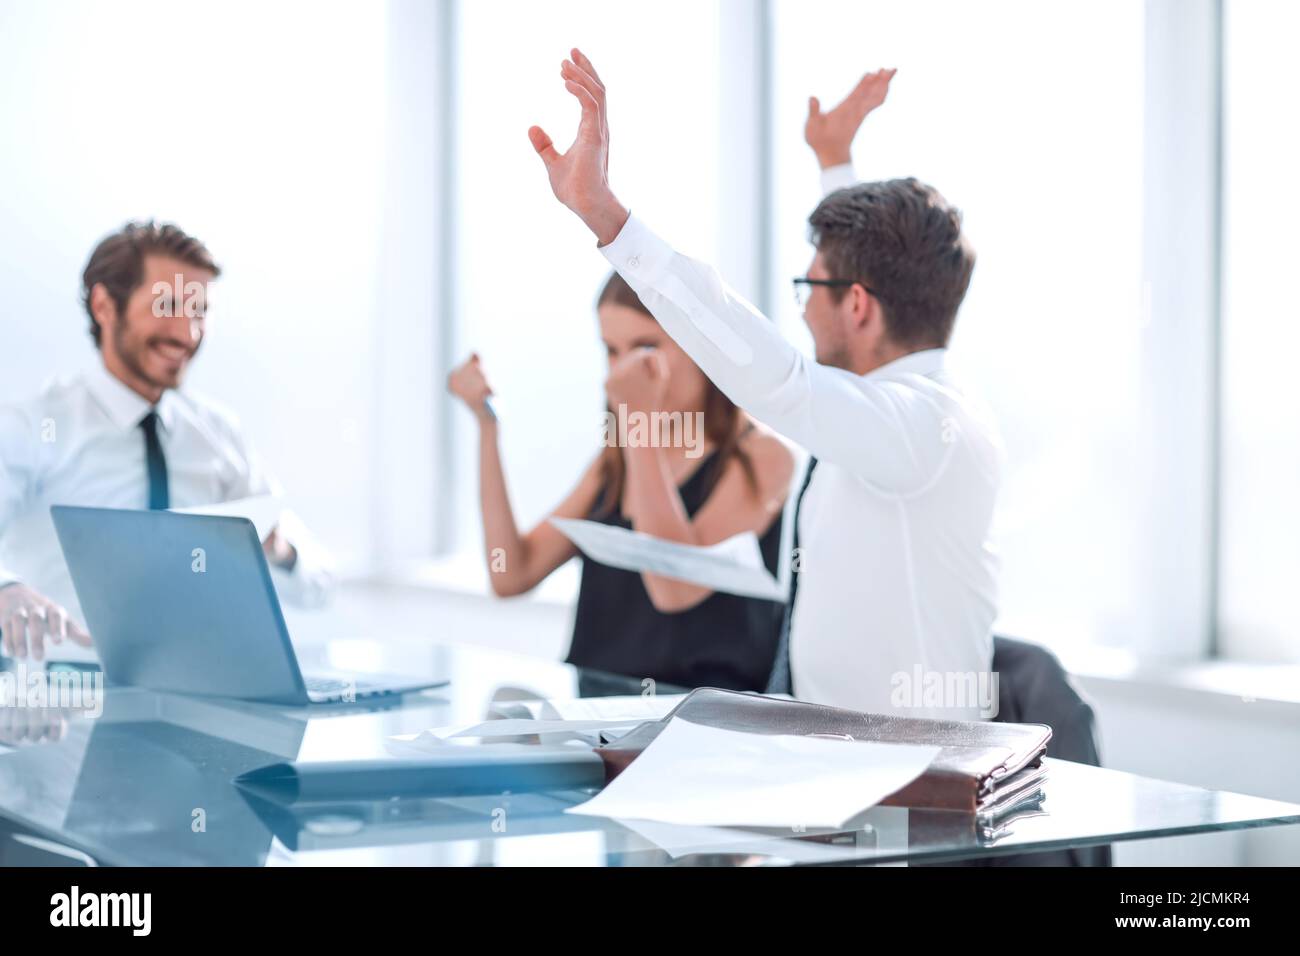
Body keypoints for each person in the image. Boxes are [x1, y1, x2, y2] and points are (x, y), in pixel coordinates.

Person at [528, 52, 1003, 718]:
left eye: (810, 289)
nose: (803, 307)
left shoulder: (919, 427)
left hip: (906, 794)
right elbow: (865, 275)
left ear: (859, 307)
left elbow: (781, 379)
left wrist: (608, 218)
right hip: (841, 769)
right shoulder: (903, 411)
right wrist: (836, 165)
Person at [0, 221, 334, 663]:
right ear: (104, 305)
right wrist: (6, 588)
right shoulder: (33, 425)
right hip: (63, 706)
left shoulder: (217, 434)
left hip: (203, 698)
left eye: (199, 311)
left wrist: (279, 550)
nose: (187, 333)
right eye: (169, 305)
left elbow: (320, 584)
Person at [447, 271, 794, 692]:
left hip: (699, 724)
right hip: (596, 718)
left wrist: (638, 424)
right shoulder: (615, 461)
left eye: (646, 347)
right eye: (612, 351)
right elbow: (511, 574)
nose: (624, 369)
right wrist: (488, 426)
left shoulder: (761, 457)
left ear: (700, 346)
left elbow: (674, 588)